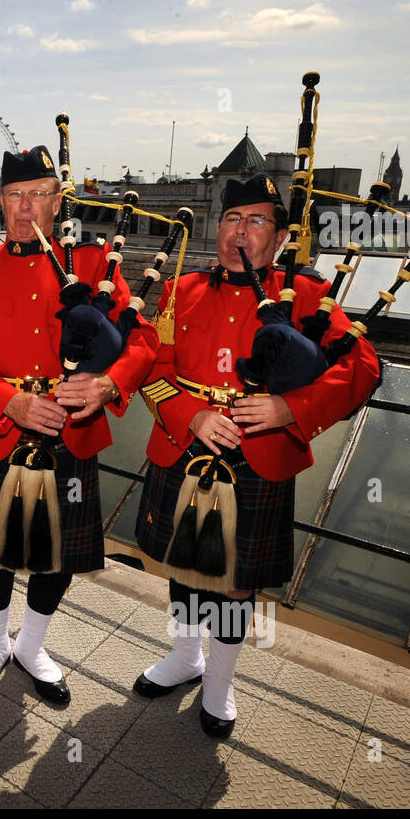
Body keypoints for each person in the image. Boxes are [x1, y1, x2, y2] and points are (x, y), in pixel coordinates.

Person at [132, 174, 381, 737]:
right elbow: (154, 370)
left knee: (237, 580)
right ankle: (185, 655)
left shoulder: (308, 297)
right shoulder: (181, 289)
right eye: (231, 220)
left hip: (258, 457)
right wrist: (192, 415)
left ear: (282, 236)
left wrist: (292, 409)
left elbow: (364, 367)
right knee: (182, 561)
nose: (239, 233)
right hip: (185, 447)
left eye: (256, 222)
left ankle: (219, 680)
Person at [0, 147, 157, 705]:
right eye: (15, 195)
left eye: (38, 194)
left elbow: (142, 341)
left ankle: (32, 647)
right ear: (0, 200)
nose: (25, 206)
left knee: (56, 555)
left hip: (71, 439)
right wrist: (8, 402)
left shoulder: (92, 267)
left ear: (58, 204)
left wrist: (108, 384)